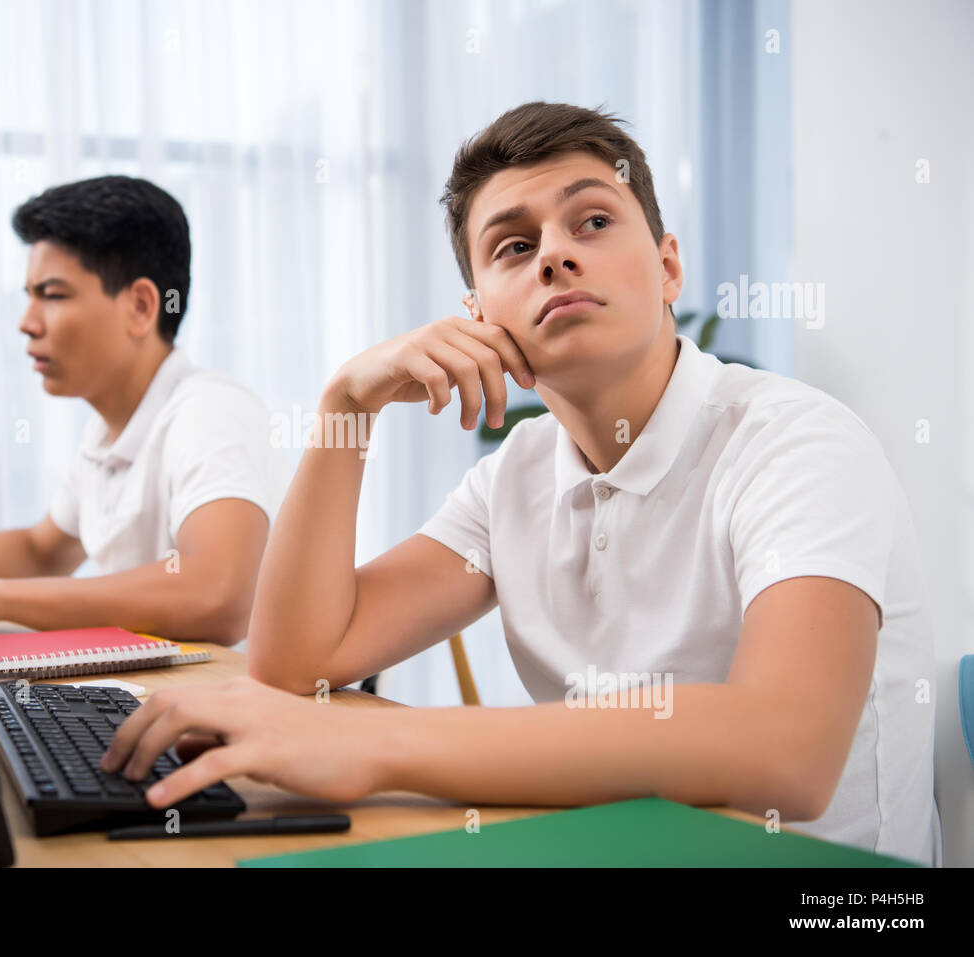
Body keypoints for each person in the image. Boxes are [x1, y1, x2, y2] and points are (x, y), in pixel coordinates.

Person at [100, 102, 938, 865]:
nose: (557, 254)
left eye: (595, 220)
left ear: (669, 266)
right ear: (477, 315)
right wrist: (345, 405)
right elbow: (299, 662)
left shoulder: (795, 440)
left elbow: (785, 750)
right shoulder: (519, 474)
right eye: (514, 244)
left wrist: (383, 746)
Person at [0, 175, 283, 644]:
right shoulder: (108, 433)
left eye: (53, 295)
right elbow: (40, 552)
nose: (27, 323)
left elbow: (218, 595)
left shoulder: (212, 411)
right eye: (28, 295)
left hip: (232, 705)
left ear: (142, 307)